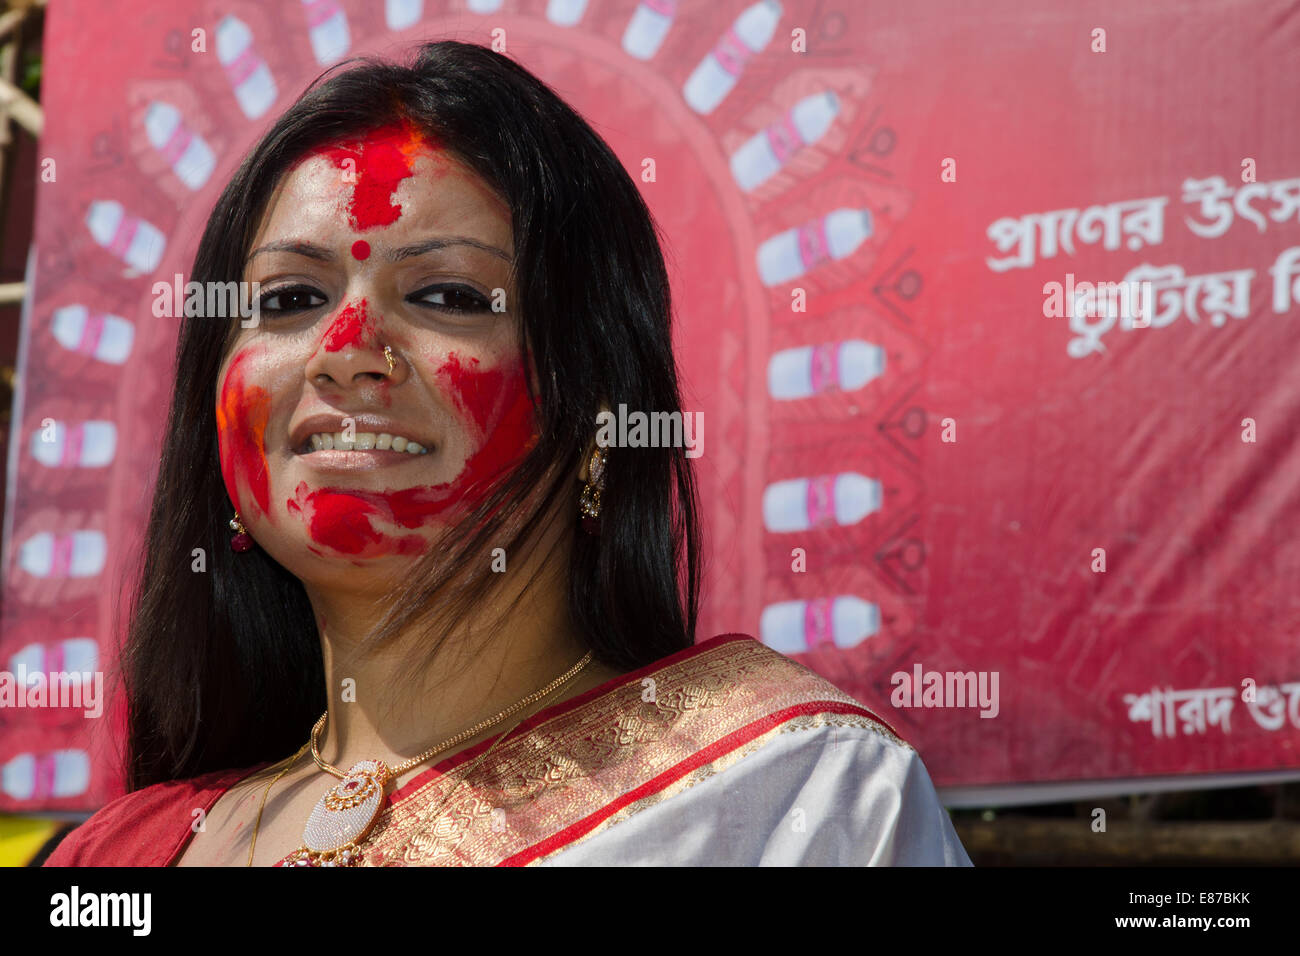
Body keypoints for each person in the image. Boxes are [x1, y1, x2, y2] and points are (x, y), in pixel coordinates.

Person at [44, 40, 970, 867]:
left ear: (600, 409)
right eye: (289, 299)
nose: (348, 347)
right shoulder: (118, 858)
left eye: (448, 295)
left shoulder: (796, 797)